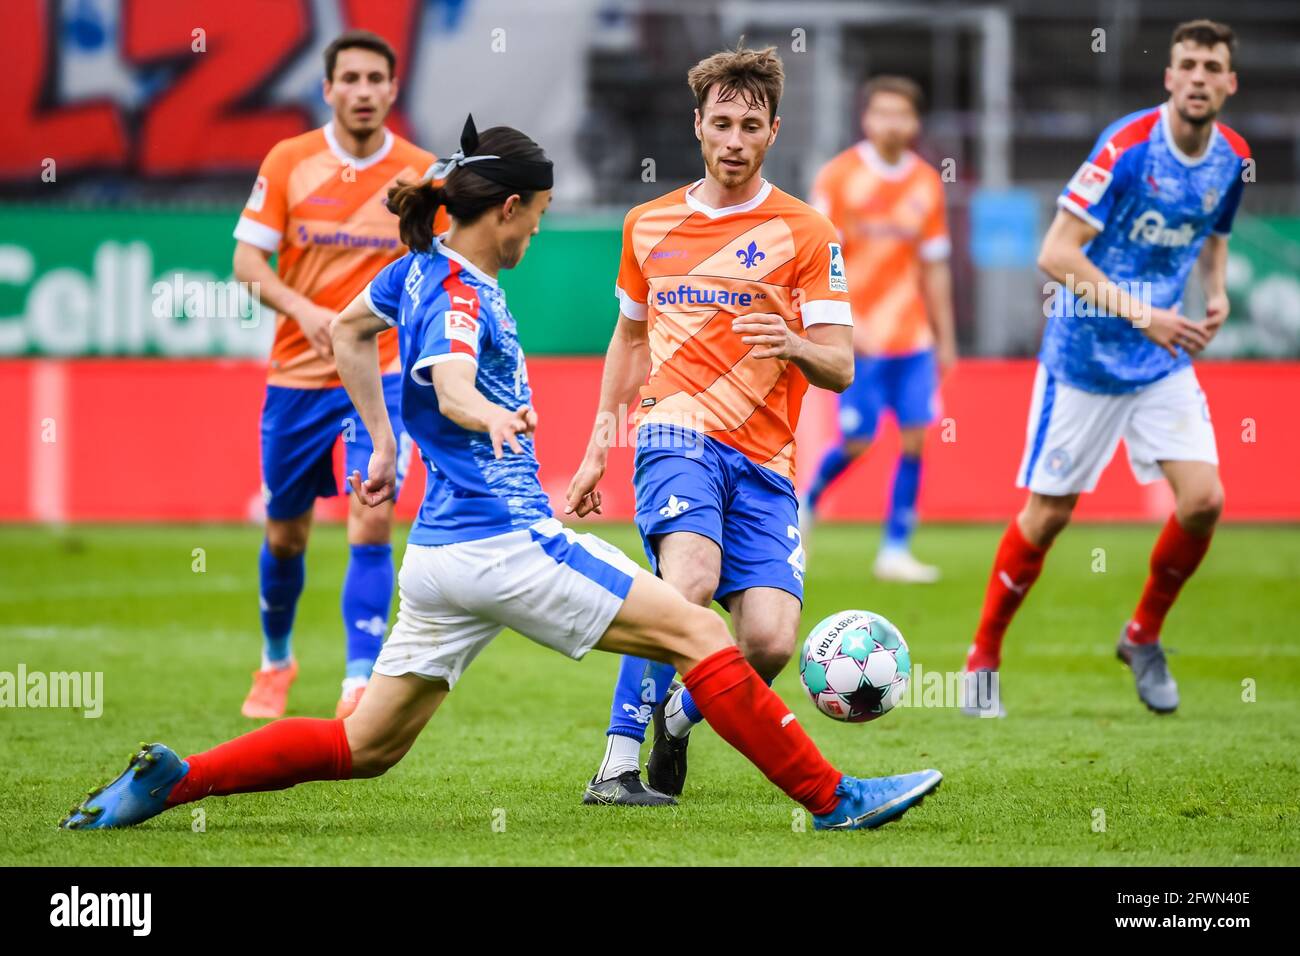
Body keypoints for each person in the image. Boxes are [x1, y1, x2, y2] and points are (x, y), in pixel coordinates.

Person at [59, 117, 942, 833]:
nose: (540, 230)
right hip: (508, 541)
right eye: (542, 215)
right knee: (701, 635)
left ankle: (177, 782)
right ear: (511, 209)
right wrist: (484, 414)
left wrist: (381, 443)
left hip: (438, 558)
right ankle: (835, 801)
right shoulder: (462, 292)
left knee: (365, 744)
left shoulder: (413, 268)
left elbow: (344, 333)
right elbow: (446, 377)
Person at [565, 46, 856, 805]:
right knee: (684, 583)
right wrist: (601, 443)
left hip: (765, 457)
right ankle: (616, 765)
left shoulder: (807, 231)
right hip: (675, 434)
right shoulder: (647, 223)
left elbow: (841, 366)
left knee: (767, 643)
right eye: (720, 122)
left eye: (749, 125)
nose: (733, 139)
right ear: (697, 126)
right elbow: (629, 339)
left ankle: (677, 716)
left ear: (773, 132)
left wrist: (795, 345)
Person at [961, 19, 1248, 717]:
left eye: (1214, 66)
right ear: (1170, 77)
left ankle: (1142, 635)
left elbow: (1213, 233)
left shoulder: (1233, 156)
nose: (1202, 76)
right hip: (1084, 359)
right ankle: (982, 657)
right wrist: (1144, 313)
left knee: (1205, 500)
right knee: (1048, 516)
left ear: (1230, 83)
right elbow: (1056, 253)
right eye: (1190, 64)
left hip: (1161, 358)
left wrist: (1216, 290)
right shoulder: (1125, 148)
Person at [231, 30, 445, 720]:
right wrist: (306, 310)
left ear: (392, 89)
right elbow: (247, 264)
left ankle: (359, 679)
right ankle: (275, 658)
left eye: (375, 79)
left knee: (372, 520)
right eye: (348, 78)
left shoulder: (420, 174)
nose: (362, 91)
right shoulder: (290, 161)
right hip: (296, 374)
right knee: (286, 534)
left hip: (380, 376)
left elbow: (442, 269)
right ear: (328, 89)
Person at [803, 76, 957, 584]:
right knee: (859, 439)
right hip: (858, 337)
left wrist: (946, 337)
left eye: (901, 114)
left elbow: (934, 264)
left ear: (914, 122)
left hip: (912, 338)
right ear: (866, 119)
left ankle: (896, 548)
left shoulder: (925, 183)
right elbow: (819, 258)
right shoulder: (840, 177)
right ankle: (809, 500)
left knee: (915, 439)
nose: (892, 123)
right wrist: (842, 321)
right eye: (882, 113)